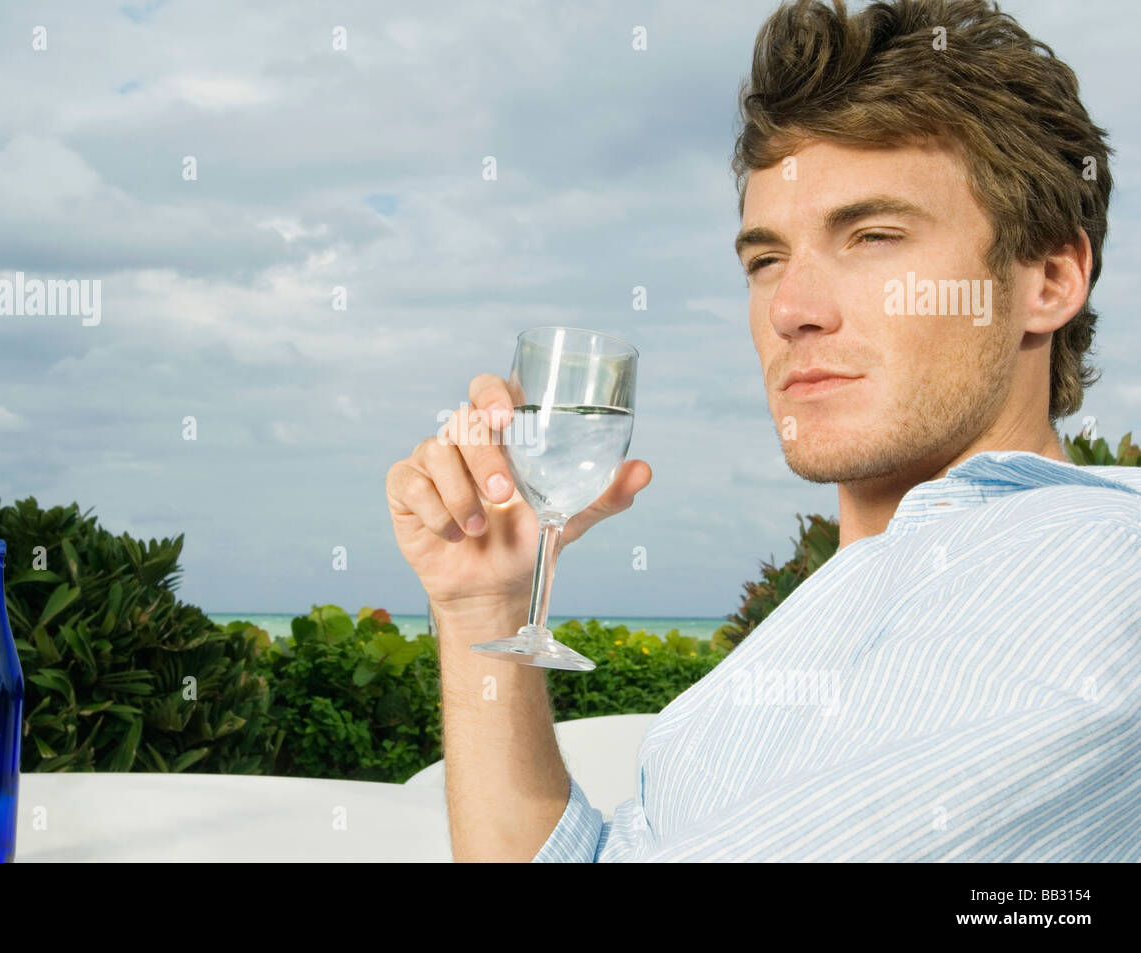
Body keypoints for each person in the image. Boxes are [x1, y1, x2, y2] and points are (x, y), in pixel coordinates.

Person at [384, 0, 1139, 861]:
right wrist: (481, 604)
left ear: (1048, 277)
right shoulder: (823, 623)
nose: (790, 309)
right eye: (766, 259)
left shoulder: (1096, 562)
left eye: (874, 236)